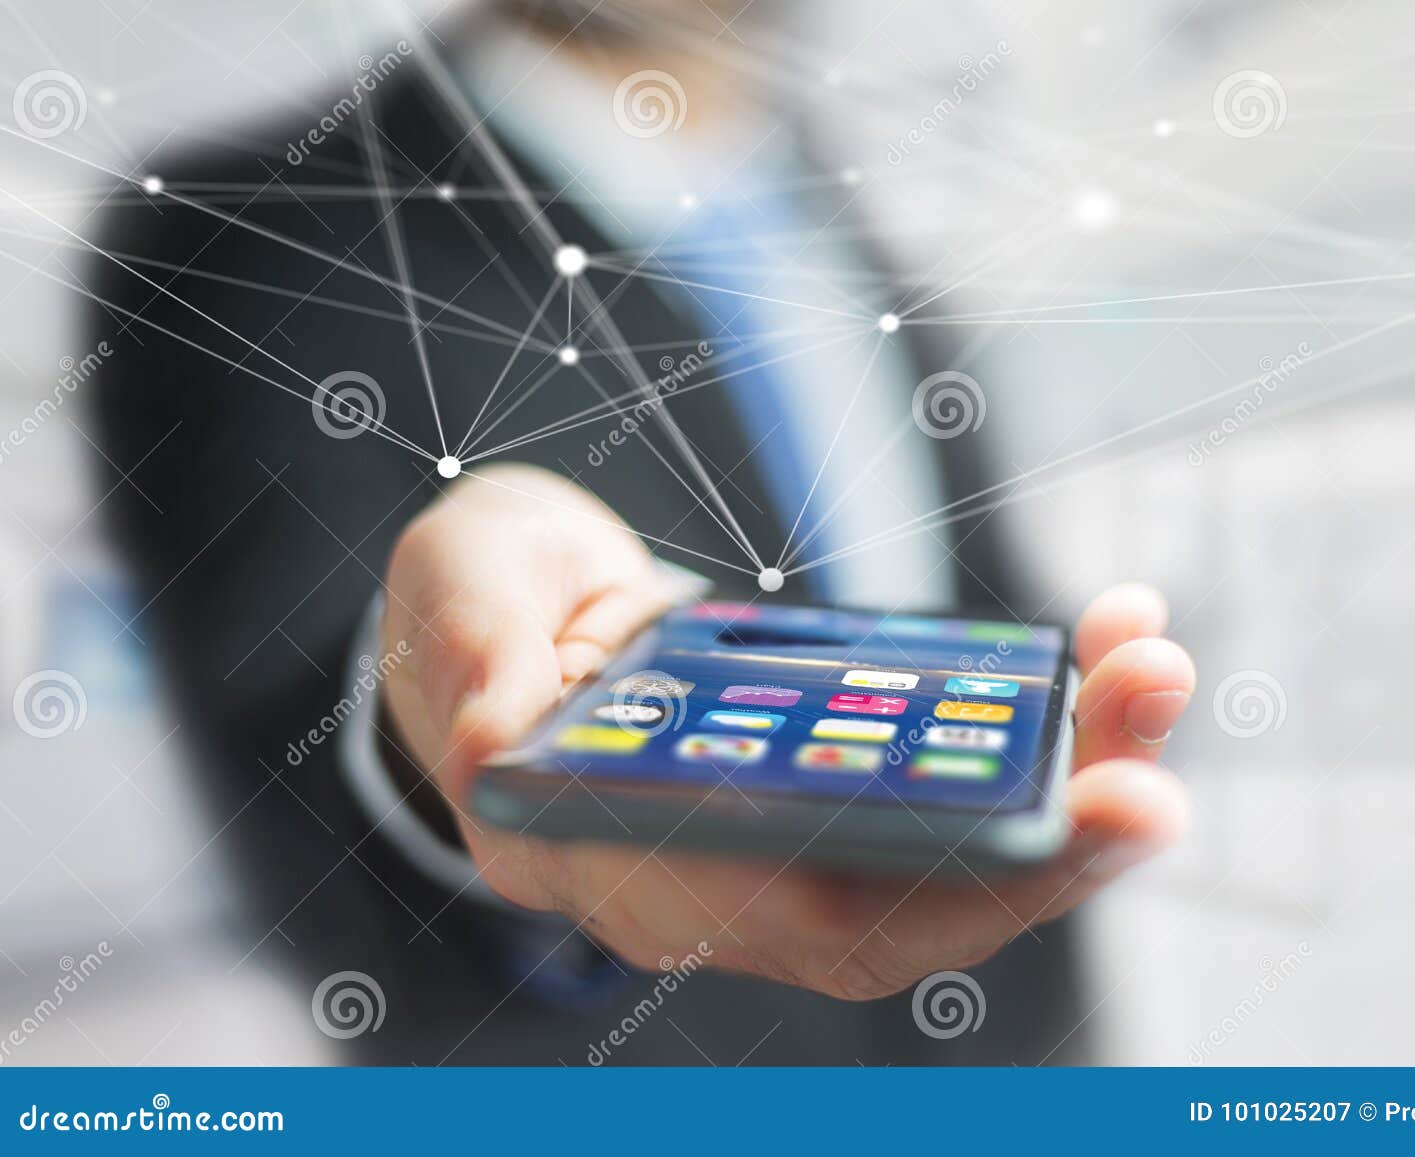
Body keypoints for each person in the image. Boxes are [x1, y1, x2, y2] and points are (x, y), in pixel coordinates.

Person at [85, 1, 1194, 1063]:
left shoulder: (836, 213)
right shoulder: (247, 231)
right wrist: (445, 729)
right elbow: (299, 750)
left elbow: (959, 619)